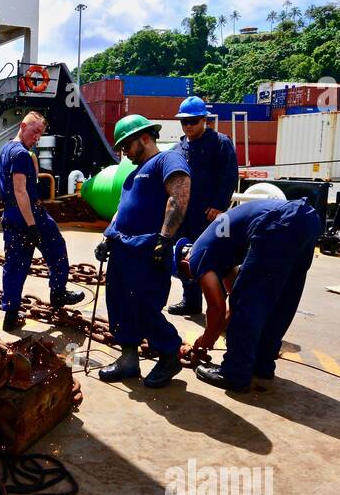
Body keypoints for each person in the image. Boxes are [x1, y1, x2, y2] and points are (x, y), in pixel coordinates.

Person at [178, 197, 322, 392]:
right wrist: (211, 335)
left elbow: (218, 308)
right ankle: (262, 364)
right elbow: (231, 299)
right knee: (281, 299)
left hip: (277, 222)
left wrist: (204, 342)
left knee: (249, 302)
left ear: (184, 263)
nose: (196, 278)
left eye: (189, 275)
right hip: (306, 219)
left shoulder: (195, 257)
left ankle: (235, 372)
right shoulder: (219, 252)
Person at [94, 114, 191, 387]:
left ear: (145, 138)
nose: (125, 153)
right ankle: (128, 360)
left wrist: (164, 238)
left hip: (148, 248)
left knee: (144, 305)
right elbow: (120, 210)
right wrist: (106, 238)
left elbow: (179, 195)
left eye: (127, 146)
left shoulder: (167, 160)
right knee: (120, 304)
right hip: (123, 247)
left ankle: (169, 352)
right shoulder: (134, 173)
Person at [0, 111, 84, 332]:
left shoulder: (6, 149)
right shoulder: (21, 155)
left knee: (14, 265)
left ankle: (11, 314)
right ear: (23, 125)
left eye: (41, 134)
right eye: (35, 132)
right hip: (29, 214)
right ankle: (58, 293)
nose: (37, 137)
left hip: (10, 215)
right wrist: (32, 225)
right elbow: (20, 191)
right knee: (57, 249)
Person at [168, 96, 238, 316]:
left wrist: (218, 205)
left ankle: (222, 307)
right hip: (184, 215)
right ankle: (191, 301)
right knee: (184, 257)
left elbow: (229, 176)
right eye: (184, 122)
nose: (188, 126)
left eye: (193, 121)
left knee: (213, 258)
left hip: (208, 215)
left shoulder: (220, 143)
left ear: (205, 120)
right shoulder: (177, 148)